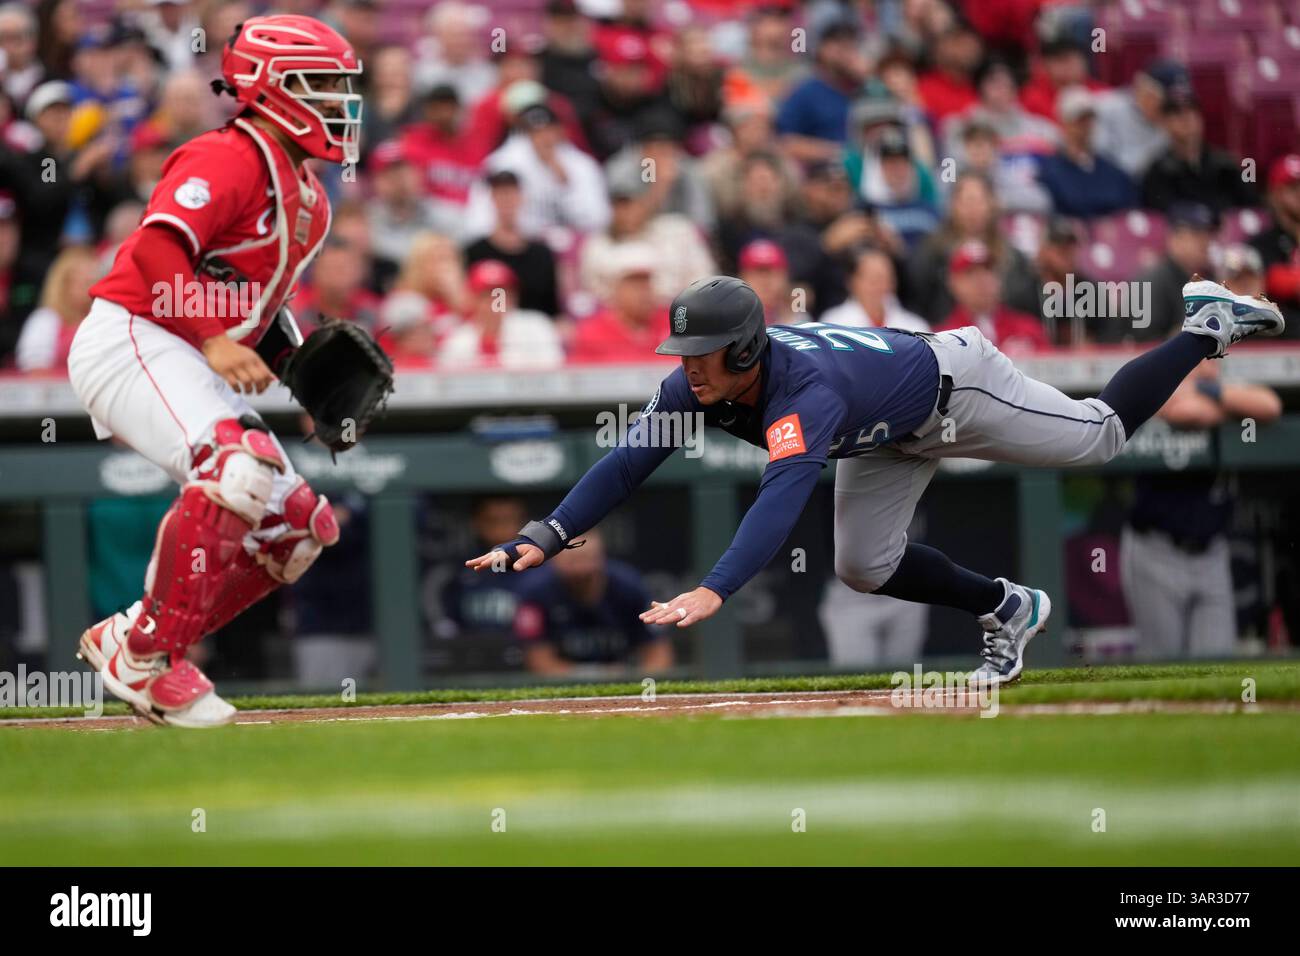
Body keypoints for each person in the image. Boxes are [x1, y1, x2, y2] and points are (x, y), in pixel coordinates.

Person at [467, 273, 1284, 685]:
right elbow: (627, 461)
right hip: (881, 430)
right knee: (863, 568)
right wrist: (545, 534)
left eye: (702, 354)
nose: (687, 371)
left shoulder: (800, 393)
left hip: (954, 387)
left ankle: (1203, 328)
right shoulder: (699, 385)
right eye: (682, 355)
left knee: (1100, 437)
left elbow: (782, 495)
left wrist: (716, 588)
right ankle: (1010, 606)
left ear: (745, 349)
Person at [68, 15, 366, 727]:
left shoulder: (312, 198)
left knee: (301, 530)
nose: (337, 98)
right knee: (237, 466)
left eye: (339, 84)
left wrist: (303, 376)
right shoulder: (225, 156)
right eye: (319, 83)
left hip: (190, 347)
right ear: (270, 88)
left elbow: (258, 309)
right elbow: (153, 252)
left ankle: (136, 635)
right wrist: (214, 340)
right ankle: (146, 658)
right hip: (134, 334)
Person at [1121, 362, 1282, 659]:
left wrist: (1208, 390)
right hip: (1156, 548)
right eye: (1199, 356)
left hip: (1211, 552)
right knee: (1161, 664)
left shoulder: (1220, 387)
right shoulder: (1160, 383)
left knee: (1218, 661)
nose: (1208, 365)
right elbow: (1186, 413)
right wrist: (1232, 411)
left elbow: (1270, 406)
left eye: (1213, 355)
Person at [512, 528, 673, 675]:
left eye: (587, 559)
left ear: (601, 558)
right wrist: (597, 674)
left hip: (625, 679)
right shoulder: (535, 591)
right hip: (561, 688)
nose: (581, 570)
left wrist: (640, 685)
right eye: (573, 560)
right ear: (554, 562)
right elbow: (540, 663)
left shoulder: (629, 586)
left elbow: (658, 655)